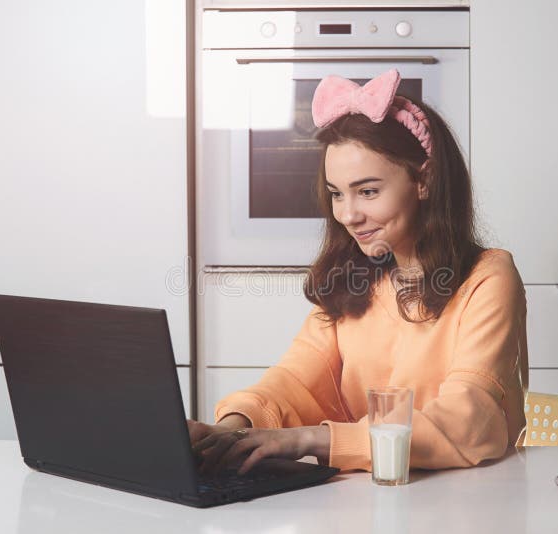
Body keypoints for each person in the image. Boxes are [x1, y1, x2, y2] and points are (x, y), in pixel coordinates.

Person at [188, 69, 528, 475]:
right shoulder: (350, 278)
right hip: (370, 498)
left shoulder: (488, 277)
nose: (348, 215)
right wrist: (232, 429)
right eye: (336, 194)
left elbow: (468, 418)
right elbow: (294, 379)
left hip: (467, 501)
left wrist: (310, 438)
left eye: (368, 191)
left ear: (425, 180)